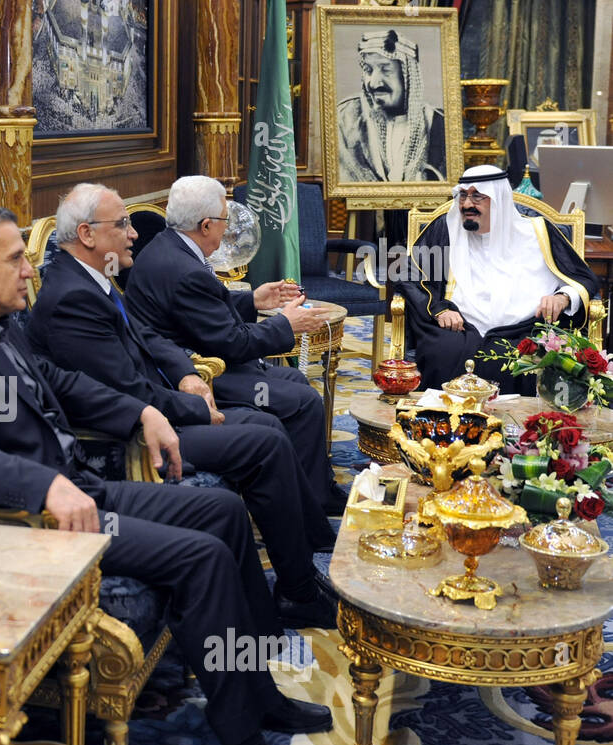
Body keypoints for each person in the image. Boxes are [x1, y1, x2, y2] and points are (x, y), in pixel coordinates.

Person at [0, 203, 335, 745]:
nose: (31, 270)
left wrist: (144, 410)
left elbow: (60, 383)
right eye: (17, 258)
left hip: (84, 487)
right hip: (31, 519)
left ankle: (256, 691)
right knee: (199, 557)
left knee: (224, 511)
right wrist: (43, 486)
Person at [26, 183, 336, 628]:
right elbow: (127, 392)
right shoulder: (71, 298)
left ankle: (299, 577)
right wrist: (193, 409)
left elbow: (147, 336)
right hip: (130, 439)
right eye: (123, 224)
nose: (134, 234)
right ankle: (298, 590)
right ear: (88, 235)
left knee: (266, 428)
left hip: (159, 408)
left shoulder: (93, 277)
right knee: (263, 440)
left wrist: (187, 374)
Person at [126, 175, 349, 515]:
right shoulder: (184, 269)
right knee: (302, 401)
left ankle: (312, 487)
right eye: (224, 219)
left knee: (295, 381)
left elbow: (201, 311)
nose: (227, 227)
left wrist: (252, 301)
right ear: (205, 226)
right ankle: (308, 502)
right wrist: (285, 324)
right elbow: (232, 343)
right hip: (194, 372)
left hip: (198, 352)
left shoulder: (169, 246)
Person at [395, 165, 599, 391]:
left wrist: (562, 297)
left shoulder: (538, 232)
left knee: (520, 357)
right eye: (463, 196)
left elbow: (583, 278)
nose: (466, 205)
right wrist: (440, 309)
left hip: (522, 327)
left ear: (498, 199)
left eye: (477, 197)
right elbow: (409, 273)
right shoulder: (446, 227)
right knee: (443, 351)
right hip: (460, 325)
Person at [336, 28, 446, 182]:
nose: (373, 83)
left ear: (408, 77)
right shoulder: (346, 118)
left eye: (386, 70)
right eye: (368, 70)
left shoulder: (438, 124)